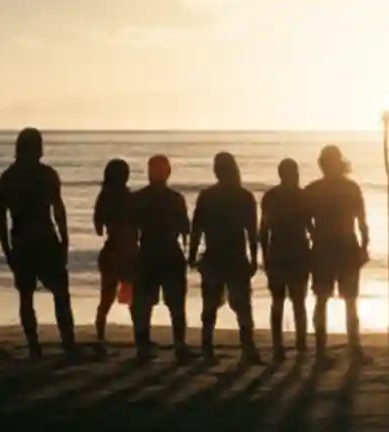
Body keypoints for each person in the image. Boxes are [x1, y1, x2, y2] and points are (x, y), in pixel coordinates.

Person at [0, 128, 76, 358]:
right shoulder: (45, 174)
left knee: (29, 294)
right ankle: (65, 342)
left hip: (24, 237)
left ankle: (36, 345)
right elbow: (58, 209)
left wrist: (6, 247)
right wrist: (64, 240)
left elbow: (0, 216)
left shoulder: (9, 177)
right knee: (57, 292)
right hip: (41, 235)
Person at [190, 152, 262, 364]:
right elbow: (252, 231)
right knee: (242, 306)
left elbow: (197, 228)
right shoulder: (244, 197)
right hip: (235, 256)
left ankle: (207, 347)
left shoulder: (207, 196)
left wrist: (192, 254)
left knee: (210, 306)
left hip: (214, 256)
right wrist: (254, 257)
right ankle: (248, 348)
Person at [305, 145, 371, 364]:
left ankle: (333, 349)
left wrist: (364, 246)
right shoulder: (347, 188)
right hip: (339, 246)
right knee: (339, 299)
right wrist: (363, 246)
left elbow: (361, 221)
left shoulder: (316, 189)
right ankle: (343, 348)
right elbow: (362, 222)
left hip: (333, 247)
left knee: (332, 299)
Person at [130, 154, 192, 362]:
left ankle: (143, 345)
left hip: (148, 251)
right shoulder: (175, 198)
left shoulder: (138, 198)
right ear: (168, 173)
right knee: (175, 304)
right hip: (169, 251)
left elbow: (131, 229)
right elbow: (185, 229)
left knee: (144, 303)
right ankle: (180, 345)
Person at [260, 158, 311, 362]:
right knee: (297, 301)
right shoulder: (301, 196)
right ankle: (299, 344)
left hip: (279, 252)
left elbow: (264, 230)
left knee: (278, 301)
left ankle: (279, 345)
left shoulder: (271, 197)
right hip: (296, 252)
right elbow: (310, 226)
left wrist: (264, 256)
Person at [93, 159, 137, 343]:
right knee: (135, 299)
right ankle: (140, 336)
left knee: (106, 297)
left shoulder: (104, 197)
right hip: (127, 251)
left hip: (111, 250)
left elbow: (98, 228)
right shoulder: (129, 197)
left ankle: (100, 334)